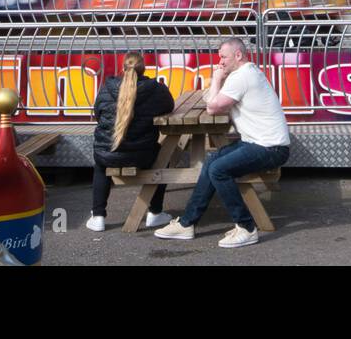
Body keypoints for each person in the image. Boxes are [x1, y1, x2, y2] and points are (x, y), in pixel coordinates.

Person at [154, 38, 290, 248]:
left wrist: (217, 78)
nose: (220, 62)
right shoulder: (245, 73)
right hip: (258, 143)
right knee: (212, 161)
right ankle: (186, 223)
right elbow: (211, 98)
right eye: (219, 58)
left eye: (224, 57)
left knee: (218, 170)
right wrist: (220, 80)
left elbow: (212, 107)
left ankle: (246, 227)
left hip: (270, 148)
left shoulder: (243, 76)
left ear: (238, 55)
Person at [87, 52, 176, 232]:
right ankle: (155, 212)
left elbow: (98, 115)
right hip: (143, 155)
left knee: (100, 165)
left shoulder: (106, 88)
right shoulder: (156, 90)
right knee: (162, 154)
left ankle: (98, 217)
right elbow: (169, 106)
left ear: (123, 69)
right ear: (144, 69)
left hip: (108, 153)